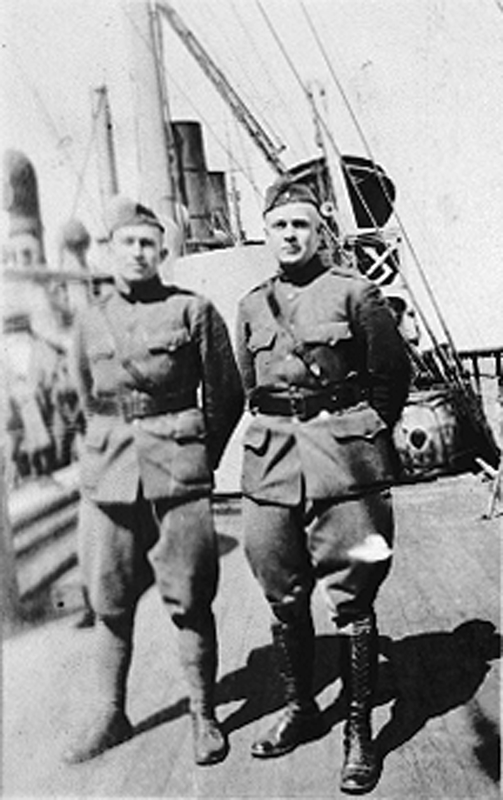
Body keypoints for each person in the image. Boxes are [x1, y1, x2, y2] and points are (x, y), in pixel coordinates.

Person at [235, 177, 410, 794]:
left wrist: (366, 433)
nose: (290, 235)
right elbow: (246, 385)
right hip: (272, 461)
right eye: (280, 225)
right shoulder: (253, 305)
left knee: (353, 598)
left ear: (320, 232)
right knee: (282, 593)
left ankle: (358, 731)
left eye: (301, 225)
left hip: (342, 462)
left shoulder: (355, 292)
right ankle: (301, 708)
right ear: (266, 232)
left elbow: (392, 370)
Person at [64, 196, 244, 766]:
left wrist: (196, 457)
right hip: (109, 475)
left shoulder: (193, 312)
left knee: (191, 599)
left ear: (162, 251)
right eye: (128, 242)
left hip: (178, 475)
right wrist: (95, 457)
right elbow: (80, 397)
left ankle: (204, 714)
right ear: (109, 250)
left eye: (148, 243)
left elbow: (227, 394)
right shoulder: (90, 320)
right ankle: (110, 714)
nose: (138, 252)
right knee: (109, 601)